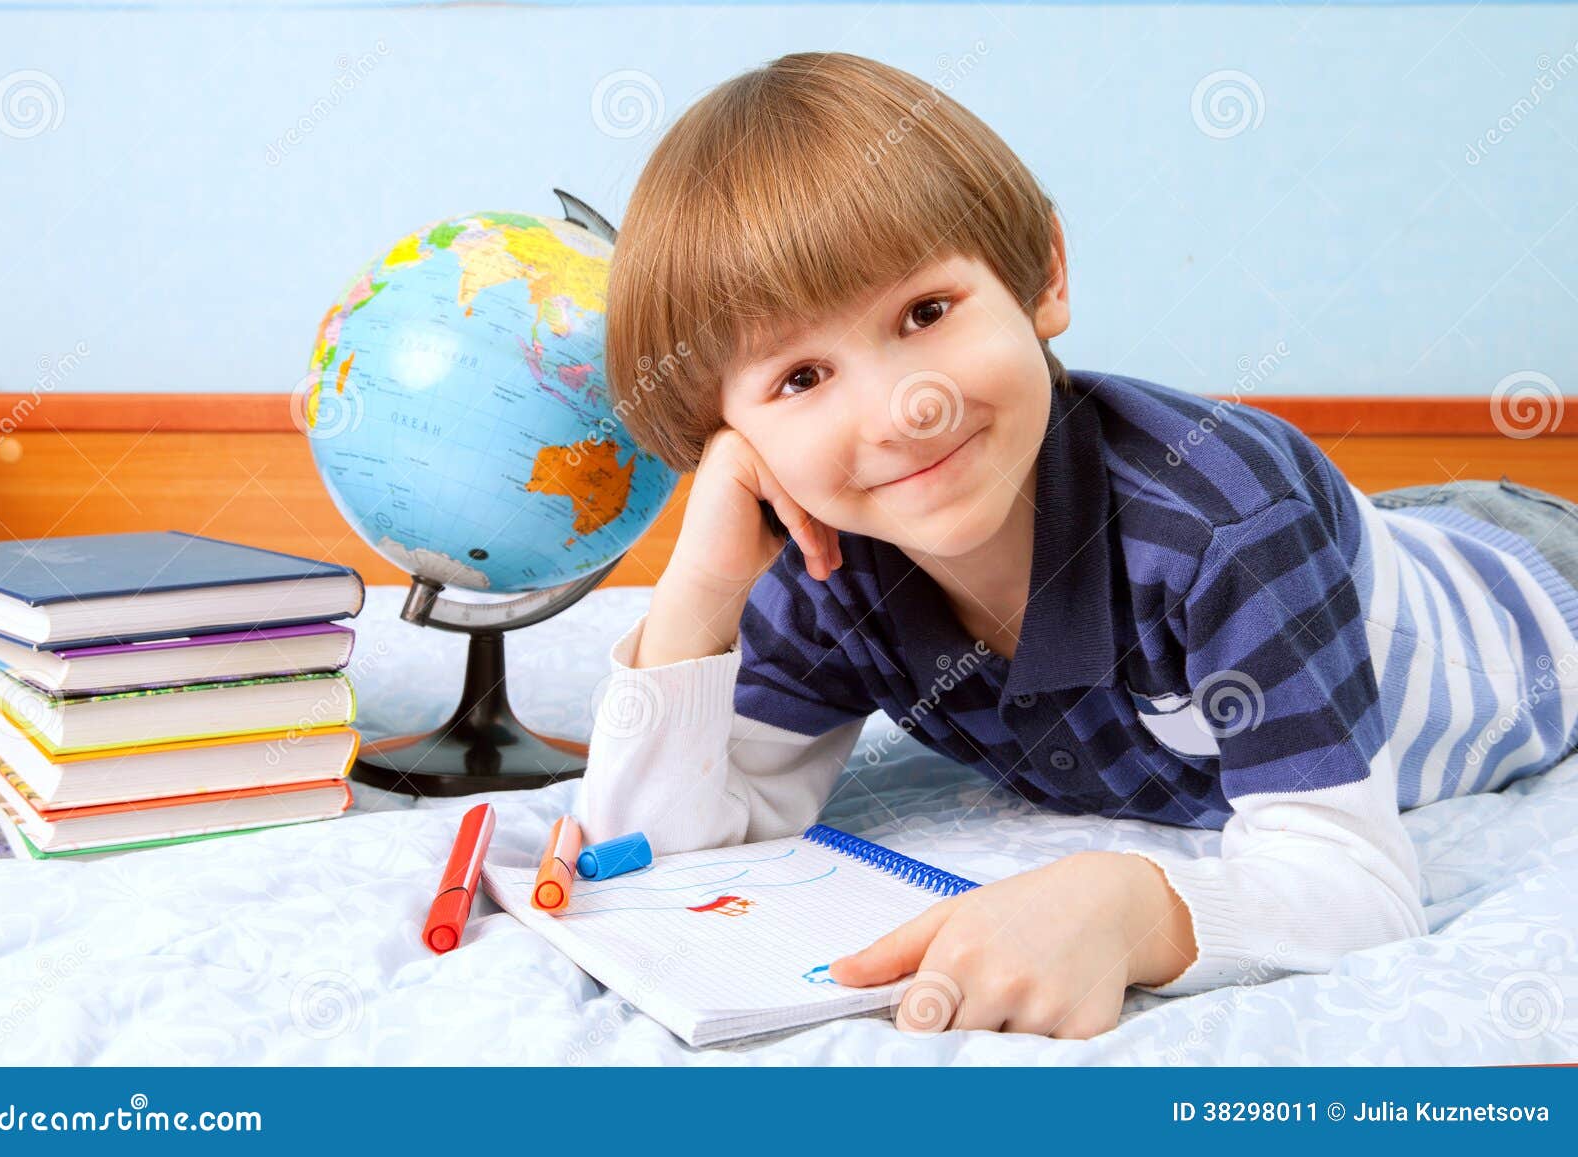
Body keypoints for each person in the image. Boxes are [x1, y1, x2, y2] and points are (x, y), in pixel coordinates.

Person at [577, 51, 1578, 1038]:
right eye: (799, 378)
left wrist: (1133, 906)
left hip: (1533, 589)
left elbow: (1354, 883)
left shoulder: (1224, 526)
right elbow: (651, 849)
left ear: (1041, 277)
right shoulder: (829, 572)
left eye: (926, 312)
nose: (901, 410)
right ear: (730, 443)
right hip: (1372, 536)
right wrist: (699, 589)